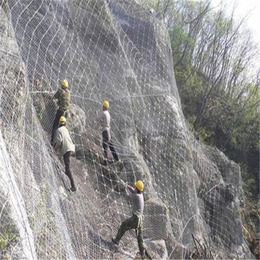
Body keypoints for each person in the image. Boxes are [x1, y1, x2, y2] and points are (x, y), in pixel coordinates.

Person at [112, 180, 146, 259]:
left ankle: (116, 240)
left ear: (137, 188)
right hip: (140, 220)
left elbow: (127, 197)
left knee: (124, 224)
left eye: (135, 186)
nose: (134, 187)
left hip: (136, 219)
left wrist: (124, 190)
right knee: (140, 239)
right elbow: (133, 191)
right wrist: (126, 185)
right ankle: (143, 256)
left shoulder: (136, 196)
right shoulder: (140, 195)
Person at [53, 116, 76, 192]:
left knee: (68, 169)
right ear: (65, 123)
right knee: (67, 167)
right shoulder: (66, 129)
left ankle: (73, 187)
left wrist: (54, 148)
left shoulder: (59, 130)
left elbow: (59, 141)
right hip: (70, 148)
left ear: (60, 123)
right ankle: (66, 173)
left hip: (66, 149)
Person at [97, 100, 120, 165]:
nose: (102, 107)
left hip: (105, 131)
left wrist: (96, 114)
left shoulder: (104, 113)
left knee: (105, 146)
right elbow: (103, 121)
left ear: (104, 107)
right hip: (108, 131)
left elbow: (98, 118)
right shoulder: (107, 113)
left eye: (103, 106)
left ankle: (105, 161)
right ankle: (116, 158)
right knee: (110, 145)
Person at [51, 79, 70, 145]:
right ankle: (61, 143)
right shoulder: (68, 92)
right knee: (62, 128)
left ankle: (52, 142)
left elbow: (54, 97)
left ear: (62, 85)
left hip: (61, 111)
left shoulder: (60, 91)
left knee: (55, 126)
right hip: (66, 112)